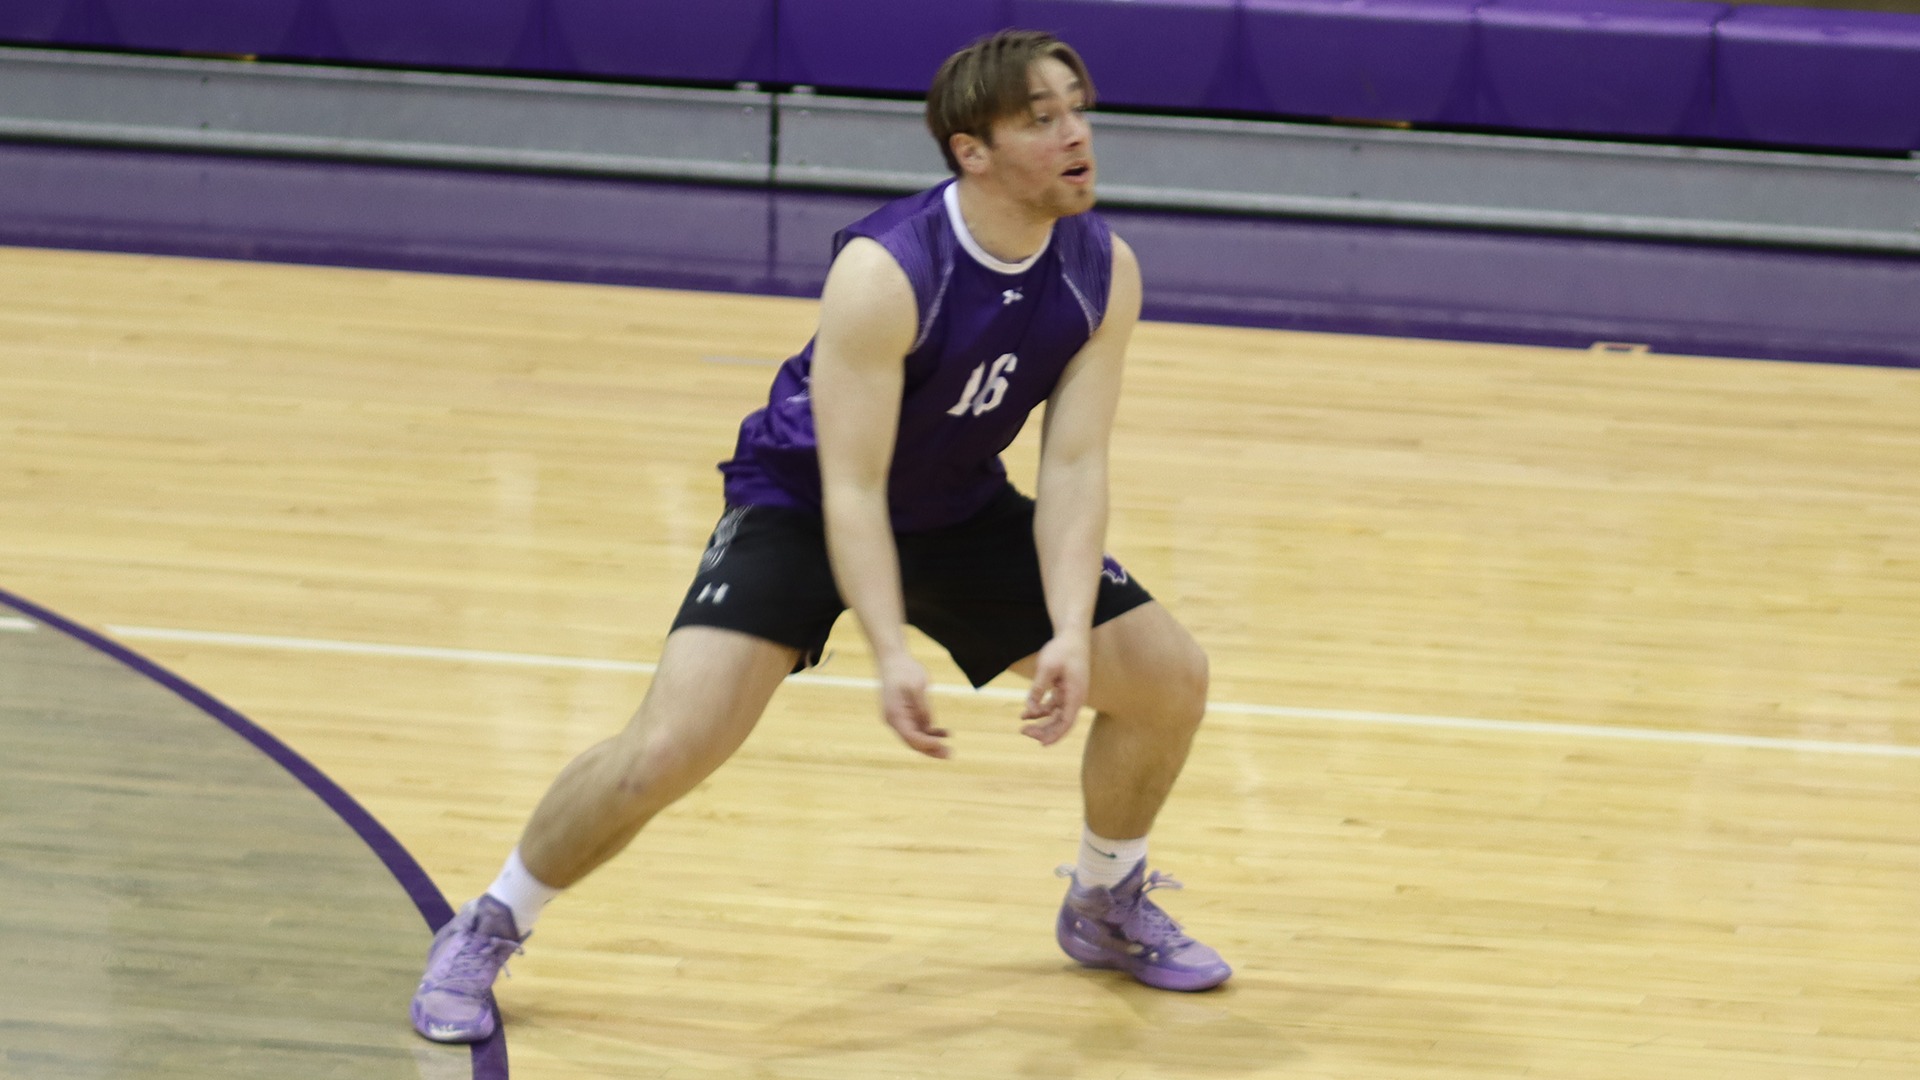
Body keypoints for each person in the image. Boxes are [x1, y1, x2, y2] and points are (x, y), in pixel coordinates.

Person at [410, 28, 1230, 1044]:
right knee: (666, 748)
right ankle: (491, 920)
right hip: (801, 504)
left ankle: (1105, 901)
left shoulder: (1103, 269)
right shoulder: (889, 270)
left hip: (952, 504)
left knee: (1166, 679)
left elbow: (1072, 465)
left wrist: (1068, 626)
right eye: (1042, 118)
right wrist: (888, 650)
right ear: (972, 151)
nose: (1078, 134)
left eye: (1078, 107)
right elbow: (849, 488)